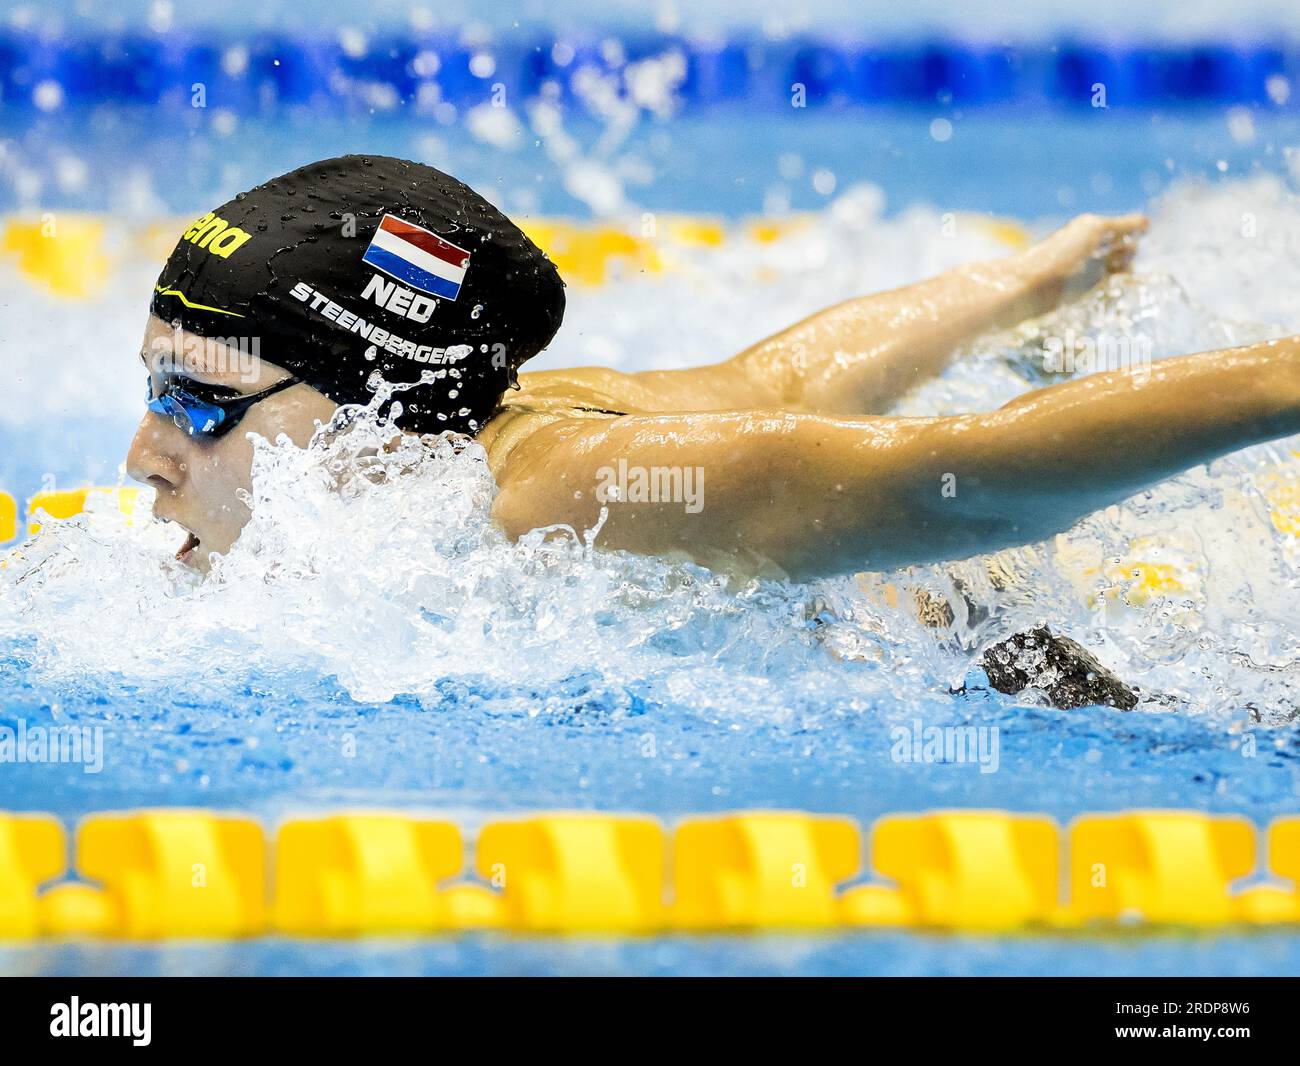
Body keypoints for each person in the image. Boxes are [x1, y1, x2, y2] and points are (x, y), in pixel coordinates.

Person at [125, 155, 1287, 707]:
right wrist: (1021, 285)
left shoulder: (559, 491)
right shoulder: (501, 422)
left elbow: (970, 477)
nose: (145, 453)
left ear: (373, 406)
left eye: (196, 398)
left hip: (1032, 683)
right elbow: (776, 373)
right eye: (150, 388)